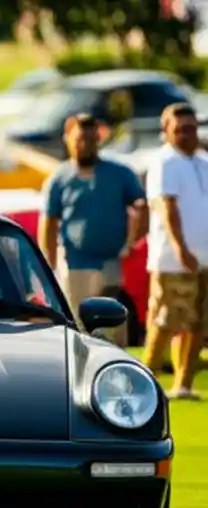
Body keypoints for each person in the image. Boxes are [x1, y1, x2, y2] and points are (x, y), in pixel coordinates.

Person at [38, 113, 147, 346]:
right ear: (68, 139)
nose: (85, 145)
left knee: (113, 324)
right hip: (75, 263)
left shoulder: (119, 173)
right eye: (79, 139)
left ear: (99, 139)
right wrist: (49, 264)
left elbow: (141, 205)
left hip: (110, 262)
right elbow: (49, 222)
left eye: (90, 139)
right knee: (79, 326)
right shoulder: (59, 178)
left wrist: (131, 242)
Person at [141, 103, 208, 399]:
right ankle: (145, 379)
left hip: (204, 259)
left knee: (197, 323)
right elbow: (167, 207)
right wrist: (181, 247)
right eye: (179, 129)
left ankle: (183, 384)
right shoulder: (165, 162)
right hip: (172, 260)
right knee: (165, 321)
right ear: (166, 132)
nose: (186, 135)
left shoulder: (203, 161)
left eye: (191, 128)